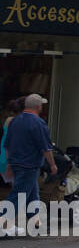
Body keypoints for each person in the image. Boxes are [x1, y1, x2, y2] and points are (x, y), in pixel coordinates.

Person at [0, 94, 55, 236]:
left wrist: (9, 164)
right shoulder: (38, 123)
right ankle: (3, 224)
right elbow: (46, 148)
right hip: (30, 164)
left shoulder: (15, 121)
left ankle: (36, 223)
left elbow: (8, 145)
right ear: (38, 107)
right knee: (19, 195)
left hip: (17, 162)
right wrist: (52, 165)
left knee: (32, 193)